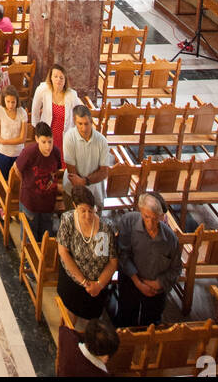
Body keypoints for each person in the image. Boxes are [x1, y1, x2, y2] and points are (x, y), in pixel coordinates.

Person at [116, 192, 181, 327]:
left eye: (155, 219)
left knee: (151, 323)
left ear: (162, 217)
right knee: (126, 320)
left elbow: (176, 269)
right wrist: (139, 283)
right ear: (140, 211)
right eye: (146, 217)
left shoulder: (170, 239)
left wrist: (159, 282)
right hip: (131, 282)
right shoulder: (128, 222)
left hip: (155, 290)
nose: (151, 224)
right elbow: (123, 256)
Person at [56, 186, 118, 324]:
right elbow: (63, 253)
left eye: (91, 211)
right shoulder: (68, 220)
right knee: (70, 316)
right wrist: (83, 281)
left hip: (97, 283)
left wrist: (99, 284)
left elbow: (113, 262)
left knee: (93, 319)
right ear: (74, 206)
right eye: (83, 211)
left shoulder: (105, 228)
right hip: (74, 281)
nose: (87, 215)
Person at [15, 121, 63, 241]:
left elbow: (56, 171)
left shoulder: (56, 152)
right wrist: (26, 183)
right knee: (29, 239)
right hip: (30, 202)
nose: (48, 146)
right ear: (36, 139)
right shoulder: (29, 153)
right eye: (44, 142)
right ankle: (27, 261)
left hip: (48, 203)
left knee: (46, 236)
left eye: (50, 142)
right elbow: (16, 169)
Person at [63, 104, 112, 208]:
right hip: (74, 189)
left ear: (91, 121)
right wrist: (80, 186)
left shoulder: (102, 141)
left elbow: (104, 172)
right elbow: (72, 171)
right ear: (74, 121)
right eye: (80, 124)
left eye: (86, 124)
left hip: (94, 190)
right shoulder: (69, 137)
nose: (84, 128)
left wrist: (85, 181)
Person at [31, 64, 80, 159]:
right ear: (51, 78)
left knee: (62, 161)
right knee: (46, 159)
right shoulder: (43, 89)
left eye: (61, 78)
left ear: (65, 80)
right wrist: (37, 129)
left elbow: (79, 114)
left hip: (64, 135)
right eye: (55, 77)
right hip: (47, 133)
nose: (58, 80)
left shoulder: (72, 95)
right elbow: (35, 110)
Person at [0, 85, 27, 180]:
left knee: (15, 181)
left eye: (13, 102)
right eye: (8, 102)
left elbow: (22, 139)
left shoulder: (22, 113)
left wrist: (4, 142)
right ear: (4, 100)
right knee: (1, 180)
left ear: (17, 101)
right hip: (3, 152)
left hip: (18, 153)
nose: (11, 105)